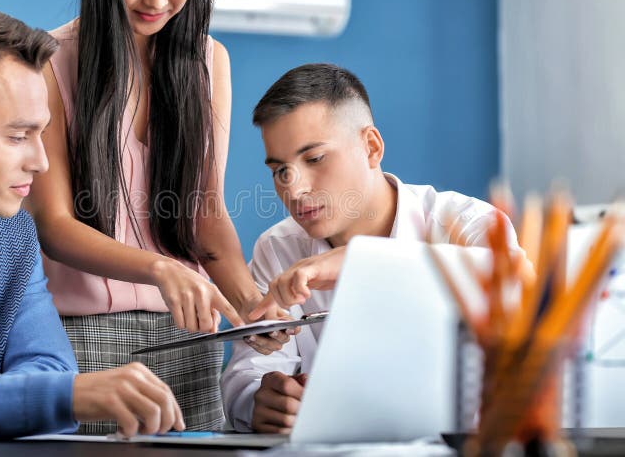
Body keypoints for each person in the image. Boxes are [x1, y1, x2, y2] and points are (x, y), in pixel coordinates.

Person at [27, 0, 286, 434]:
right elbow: (54, 226)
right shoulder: (50, 61)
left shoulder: (210, 61)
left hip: (190, 341)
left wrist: (250, 307)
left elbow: (206, 216)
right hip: (86, 343)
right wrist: (161, 270)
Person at [0, 5, 184, 439]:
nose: (42, 162)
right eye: (17, 136)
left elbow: (48, 363)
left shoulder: (13, 235)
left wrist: (39, 394)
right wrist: (50, 398)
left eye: (41, 134)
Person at [220, 63, 521, 434]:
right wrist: (258, 402)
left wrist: (364, 263)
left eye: (314, 159)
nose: (293, 189)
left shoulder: (472, 226)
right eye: (280, 170)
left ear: (372, 147)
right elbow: (249, 372)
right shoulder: (277, 249)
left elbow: (521, 314)